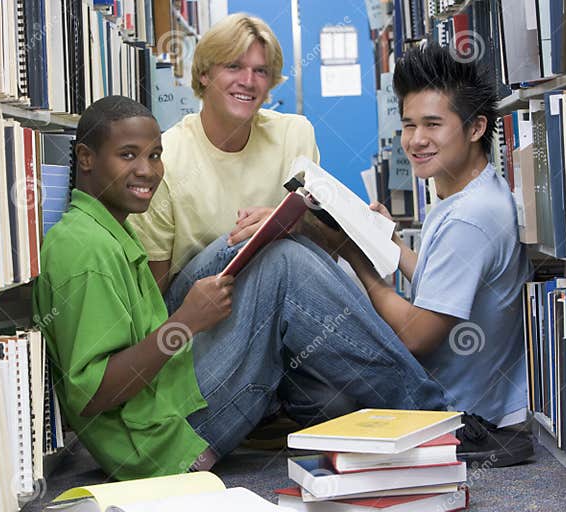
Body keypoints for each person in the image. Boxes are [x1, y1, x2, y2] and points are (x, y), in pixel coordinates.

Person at [32, 95, 448, 480]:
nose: (147, 170)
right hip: (159, 442)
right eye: (128, 156)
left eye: (155, 155)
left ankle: (336, 403)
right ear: (85, 158)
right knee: (284, 264)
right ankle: (431, 415)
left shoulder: (104, 231)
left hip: (161, 398)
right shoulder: (85, 253)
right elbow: (94, 396)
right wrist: (185, 323)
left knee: (258, 239)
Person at [309, 43, 535, 466]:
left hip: (451, 409)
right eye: (409, 124)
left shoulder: (470, 216)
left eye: (433, 124)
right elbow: (445, 287)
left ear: (475, 128)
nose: (415, 140)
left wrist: (355, 256)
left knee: (291, 277)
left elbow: (416, 335)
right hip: (462, 393)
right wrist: (388, 244)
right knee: (310, 381)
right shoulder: (466, 191)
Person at [128, 12, 356, 428]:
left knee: (339, 404)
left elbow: (325, 254)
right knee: (248, 244)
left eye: (261, 71)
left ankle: (262, 390)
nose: (248, 81)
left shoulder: (295, 135)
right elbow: (155, 299)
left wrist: (295, 223)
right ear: (204, 76)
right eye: (233, 66)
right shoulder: (168, 157)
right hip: (204, 317)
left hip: (280, 313)